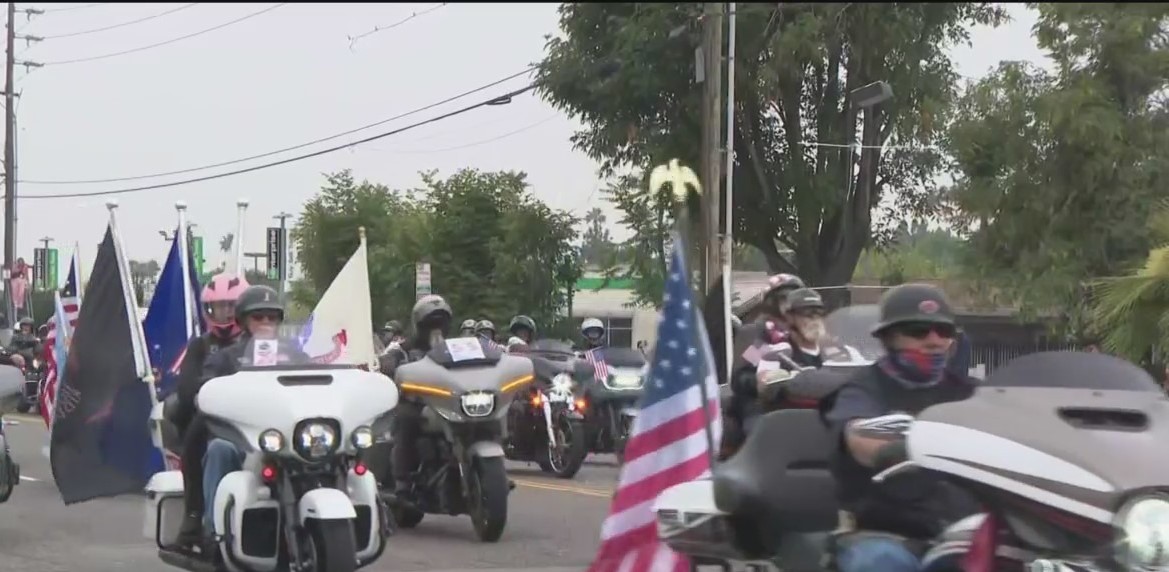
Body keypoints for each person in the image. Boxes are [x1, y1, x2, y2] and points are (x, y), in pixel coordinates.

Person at [823, 283, 980, 572]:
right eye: (919, 331)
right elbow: (857, 435)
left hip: (965, 531)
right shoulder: (863, 389)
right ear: (889, 338)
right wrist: (899, 448)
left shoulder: (972, 392)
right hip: (887, 534)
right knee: (881, 564)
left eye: (943, 332)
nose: (934, 341)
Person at [187, 285, 307, 549]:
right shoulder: (227, 357)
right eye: (258, 317)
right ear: (243, 321)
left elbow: (318, 386)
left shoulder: (296, 354)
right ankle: (213, 530)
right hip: (244, 438)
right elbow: (205, 389)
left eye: (271, 317)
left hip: (289, 438)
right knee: (219, 448)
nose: (266, 323)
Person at [172, 274, 250, 548]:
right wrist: (206, 392)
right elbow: (186, 390)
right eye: (219, 306)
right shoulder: (202, 346)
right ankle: (196, 515)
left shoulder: (264, 344)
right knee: (197, 435)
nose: (225, 311)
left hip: (261, 420)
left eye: (231, 305)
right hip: (216, 418)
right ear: (209, 310)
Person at [381, 295, 468, 499]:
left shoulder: (456, 349)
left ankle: (483, 470)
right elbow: (389, 359)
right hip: (417, 403)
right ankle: (402, 478)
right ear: (419, 325)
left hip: (450, 403)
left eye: (441, 323)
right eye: (431, 324)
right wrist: (387, 364)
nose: (436, 329)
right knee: (406, 419)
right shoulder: (405, 348)